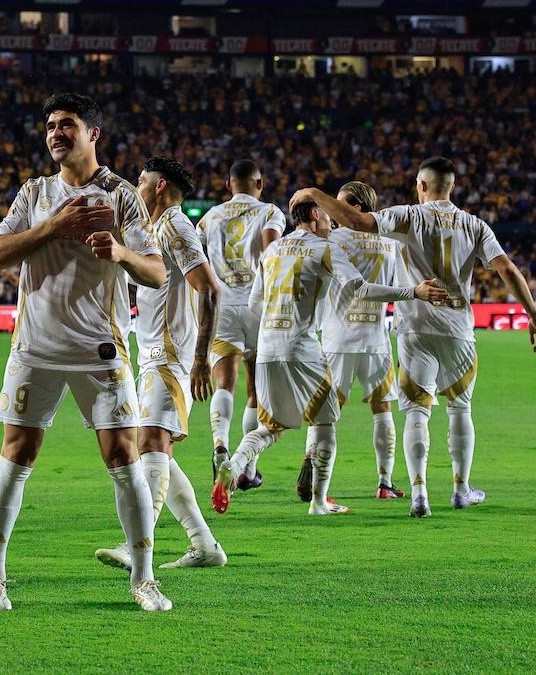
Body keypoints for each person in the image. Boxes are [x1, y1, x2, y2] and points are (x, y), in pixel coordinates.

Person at [0, 92, 170, 613]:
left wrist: (122, 252)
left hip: (99, 348)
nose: (56, 133)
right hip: (35, 348)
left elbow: (157, 273)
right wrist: (53, 227)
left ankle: (144, 579)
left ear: (93, 134)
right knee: (17, 453)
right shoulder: (35, 192)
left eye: (67, 124)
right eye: (50, 126)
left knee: (124, 455)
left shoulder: (121, 196)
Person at [290, 156, 536, 518]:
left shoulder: (406, 216)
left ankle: (419, 495)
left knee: (415, 412)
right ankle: (459, 490)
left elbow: (359, 222)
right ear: (451, 186)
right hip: (457, 330)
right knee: (460, 408)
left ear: (422, 186)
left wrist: (315, 193)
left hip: (412, 329)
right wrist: (532, 314)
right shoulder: (475, 225)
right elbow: (506, 268)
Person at [211, 199, 446, 516]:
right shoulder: (325, 249)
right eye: (326, 214)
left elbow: (256, 304)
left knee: (271, 427)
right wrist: (413, 292)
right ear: (313, 214)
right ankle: (319, 502)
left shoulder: (272, 250)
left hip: (268, 349)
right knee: (325, 423)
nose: (332, 221)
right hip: (303, 348)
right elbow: (360, 289)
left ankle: (235, 464)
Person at [94, 156, 226, 572]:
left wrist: (201, 358)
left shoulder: (174, 225)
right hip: (153, 353)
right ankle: (204, 544)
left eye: (141, 180)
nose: (136, 186)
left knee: (151, 441)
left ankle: (138, 543)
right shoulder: (153, 230)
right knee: (158, 451)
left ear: (160, 185)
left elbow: (210, 290)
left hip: (173, 354)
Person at [295, 181, 406, 502]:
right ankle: (385, 483)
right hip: (375, 340)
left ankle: (313, 472)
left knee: (324, 412)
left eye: (339, 203)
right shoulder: (390, 243)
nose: (332, 210)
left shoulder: (331, 240)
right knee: (382, 408)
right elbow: (396, 287)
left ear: (356, 207)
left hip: (336, 339)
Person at [196, 160, 286, 488]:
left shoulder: (209, 218)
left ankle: (220, 444)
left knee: (225, 381)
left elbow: (195, 258)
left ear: (228, 185)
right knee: (256, 389)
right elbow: (271, 248)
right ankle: (247, 469)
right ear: (259, 184)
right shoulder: (270, 211)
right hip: (258, 305)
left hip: (223, 306)